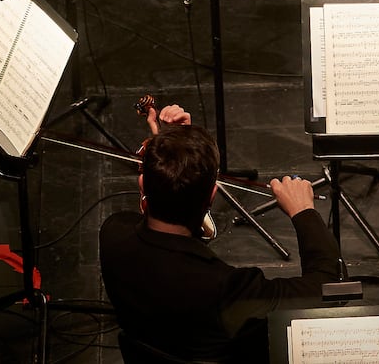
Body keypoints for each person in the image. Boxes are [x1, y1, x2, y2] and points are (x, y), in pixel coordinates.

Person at [100, 101, 339, 362]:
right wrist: (304, 212)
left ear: (143, 183)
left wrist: (173, 153)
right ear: (212, 196)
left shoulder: (114, 233)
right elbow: (328, 289)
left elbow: (163, 219)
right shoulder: (225, 289)